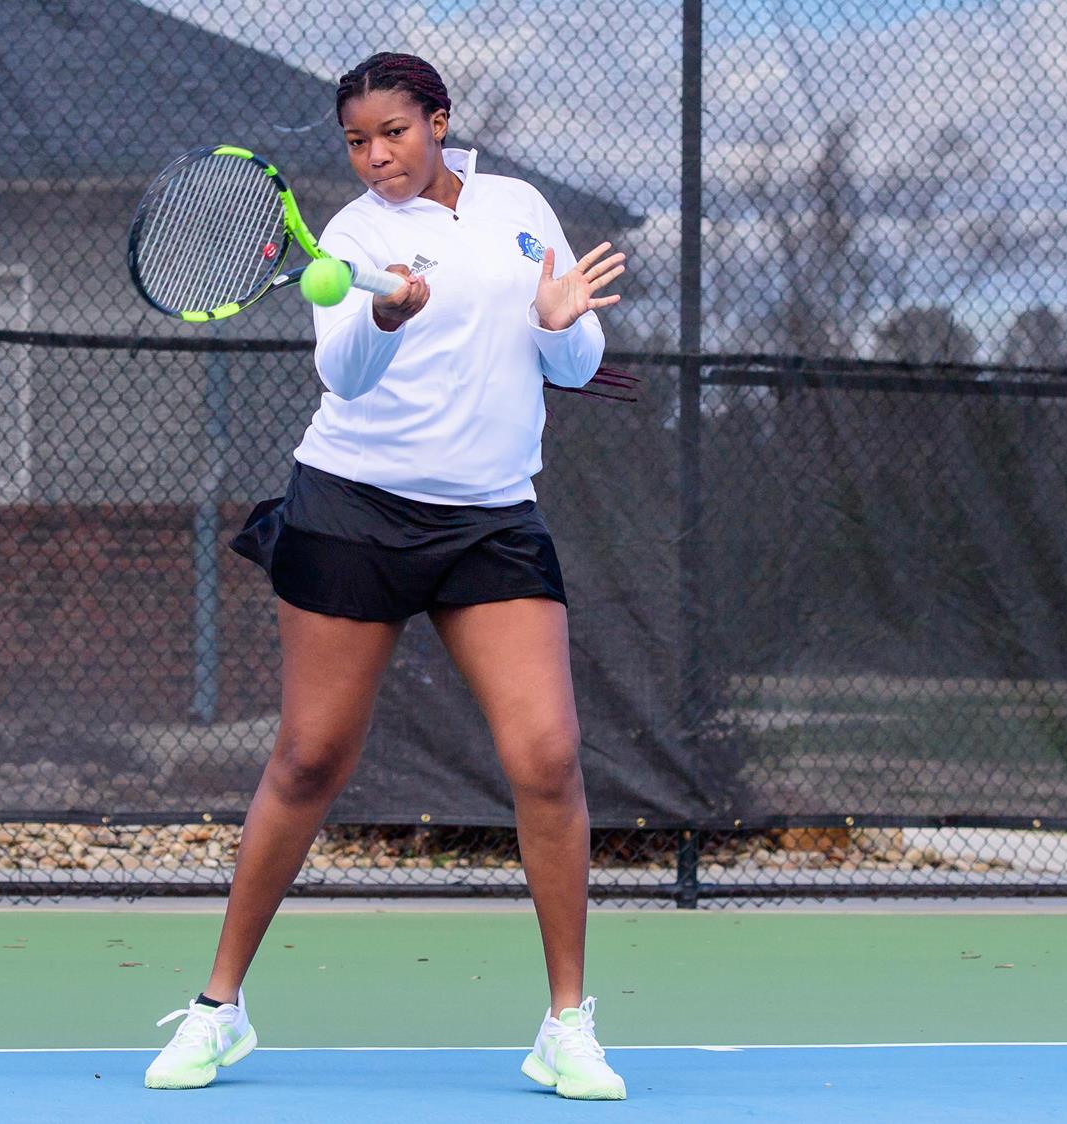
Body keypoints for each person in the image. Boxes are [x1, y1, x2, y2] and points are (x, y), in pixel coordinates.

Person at [145, 51, 628, 1101]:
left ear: (437, 122)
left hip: (491, 515)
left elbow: (576, 362)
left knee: (546, 755)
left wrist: (559, 327)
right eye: (357, 142)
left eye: (393, 134)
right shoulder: (356, 236)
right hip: (352, 507)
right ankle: (218, 1008)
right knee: (311, 757)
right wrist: (383, 315)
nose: (375, 157)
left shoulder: (515, 208)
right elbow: (343, 375)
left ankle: (564, 1024)